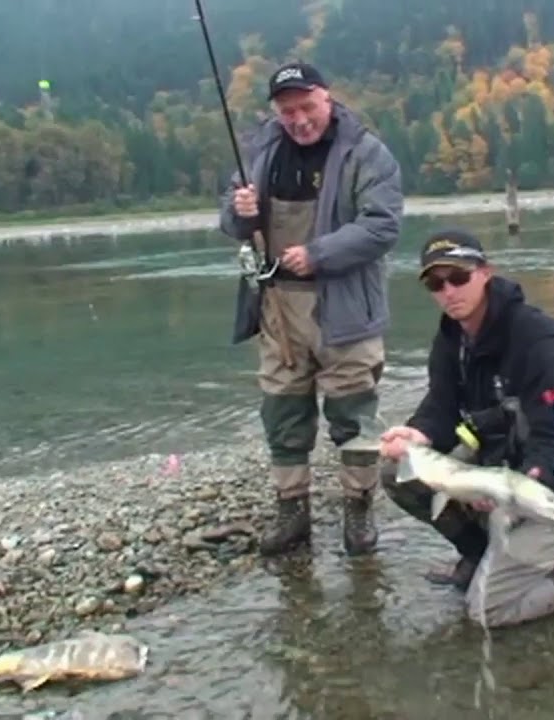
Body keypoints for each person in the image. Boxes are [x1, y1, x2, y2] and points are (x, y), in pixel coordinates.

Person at [378, 228, 554, 628]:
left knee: (486, 614)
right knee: (398, 472)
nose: (448, 291)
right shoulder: (451, 338)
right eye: (436, 283)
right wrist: (416, 435)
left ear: (485, 272)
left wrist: (509, 493)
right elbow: (441, 407)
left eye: (458, 277)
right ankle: (482, 557)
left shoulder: (540, 342)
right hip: (500, 463)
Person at [218, 61, 404, 557]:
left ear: (327, 97)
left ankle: (359, 512)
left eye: (306, 107)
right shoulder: (261, 150)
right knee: (282, 412)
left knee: (354, 416)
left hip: (344, 309)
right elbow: (229, 218)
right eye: (287, 111)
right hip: (278, 309)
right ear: (275, 112)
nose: (298, 119)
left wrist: (319, 254)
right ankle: (292, 511)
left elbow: (383, 226)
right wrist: (236, 214)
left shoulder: (366, 153)